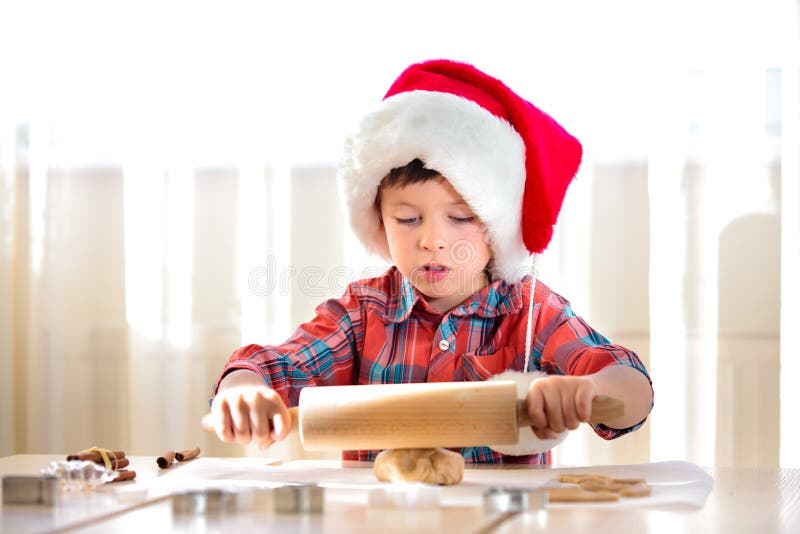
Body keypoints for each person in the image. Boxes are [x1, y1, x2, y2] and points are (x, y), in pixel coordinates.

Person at [209, 59, 653, 464]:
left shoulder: (531, 314)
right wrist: (244, 389)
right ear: (379, 222)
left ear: (497, 225)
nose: (432, 241)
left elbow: (631, 387)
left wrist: (589, 391)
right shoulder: (363, 315)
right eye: (407, 218)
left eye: (460, 217)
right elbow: (281, 366)